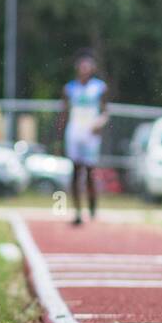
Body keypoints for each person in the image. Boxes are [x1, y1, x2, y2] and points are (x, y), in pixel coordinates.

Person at [57, 51, 109, 226]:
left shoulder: (99, 88)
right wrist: (58, 136)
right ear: (77, 69)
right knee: (75, 171)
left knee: (90, 172)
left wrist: (99, 123)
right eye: (82, 67)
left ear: (92, 69)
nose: (84, 70)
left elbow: (105, 112)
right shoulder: (69, 88)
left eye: (88, 67)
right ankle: (77, 212)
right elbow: (63, 114)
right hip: (74, 133)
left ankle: (92, 206)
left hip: (91, 134)